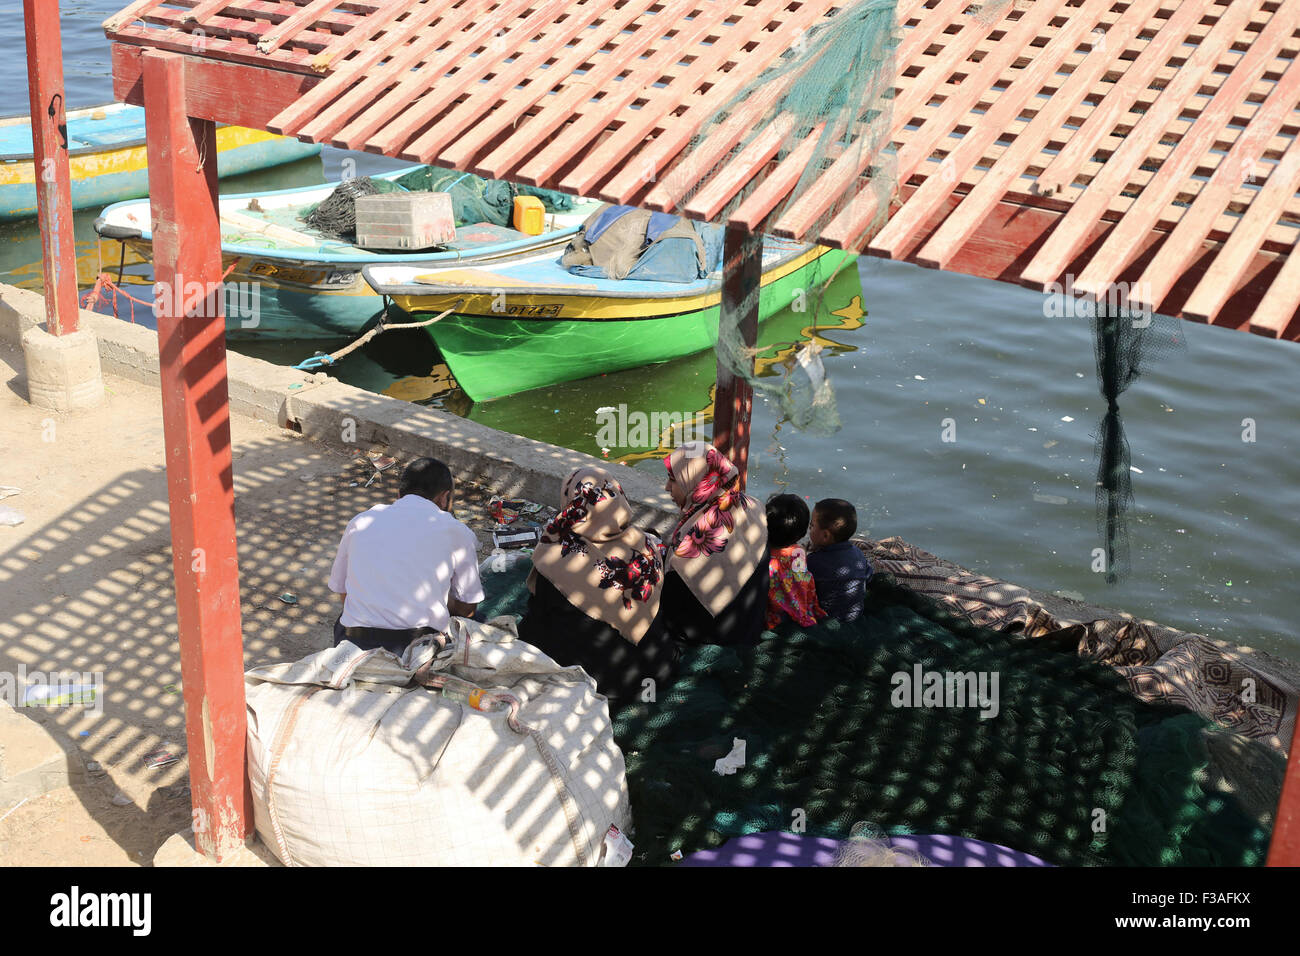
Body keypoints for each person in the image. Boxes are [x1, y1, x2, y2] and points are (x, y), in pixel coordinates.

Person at [518, 466, 677, 708]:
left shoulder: (557, 555)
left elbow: (538, 619)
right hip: (650, 674)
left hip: (589, 683)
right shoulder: (648, 548)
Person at [328, 457, 484, 654]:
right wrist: (441, 601)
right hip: (419, 648)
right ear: (444, 498)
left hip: (354, 641)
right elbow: (467, 610)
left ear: (399, 493)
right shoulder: (457, 532)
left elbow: (344, 593)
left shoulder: (362, 521)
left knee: (346, 616)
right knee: (478, 621)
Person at [659, 441, 769, 647]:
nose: (666, 487)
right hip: (750, 629)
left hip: (712, 644)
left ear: (697, 483)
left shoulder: (688, 554)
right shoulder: (753, 508)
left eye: (673, 480)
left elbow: (673, 612)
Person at [764, 493, 827, 629]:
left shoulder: (763, 558)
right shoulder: (799, 553)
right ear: (803, 533)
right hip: (803, 614)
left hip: (774, 622)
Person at [806, 497, 872, 623]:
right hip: (856, 616)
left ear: (825, 536)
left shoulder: (813, 562)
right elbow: (868, 574)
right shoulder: (858, 553)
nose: (810, 528)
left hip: (827, 622)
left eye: (812, 525)